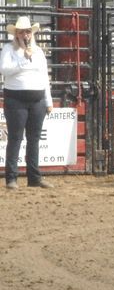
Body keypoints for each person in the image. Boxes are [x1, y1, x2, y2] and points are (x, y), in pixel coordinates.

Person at [2, 16, 53, 190]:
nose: (26, 34)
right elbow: (4, 70)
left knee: (34, 139)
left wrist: (48, 100)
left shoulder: (38, 51)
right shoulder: (8, 49)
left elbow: (44, 76)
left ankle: (34, 177)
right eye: (22, 31)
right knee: (15, 138)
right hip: (15, 98)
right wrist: (24, 59)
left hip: (37, 99)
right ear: (16, 33)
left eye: (28, 31)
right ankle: (11, 178)